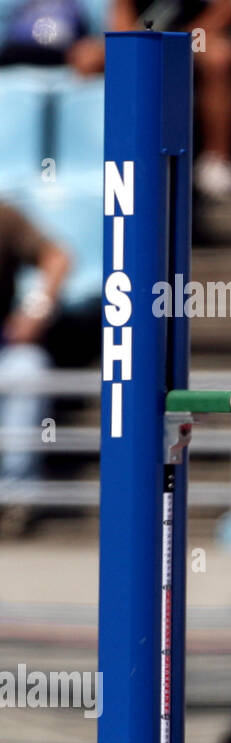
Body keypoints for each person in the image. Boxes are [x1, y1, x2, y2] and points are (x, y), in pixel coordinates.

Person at [64, 0, 231, 198]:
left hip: (196, 38)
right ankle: (96, 156)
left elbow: (227, 10)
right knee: (86, 58)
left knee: (220, 58)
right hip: (147, 38)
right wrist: (141, 44)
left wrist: (183, 38)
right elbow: (122, 24)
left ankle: (217, 162)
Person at [0, 201, 69, 538]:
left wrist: (34, 311)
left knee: (29, 368)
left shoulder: (5, 216)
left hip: (5, 351)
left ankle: (15, 500)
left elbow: (57, 258)